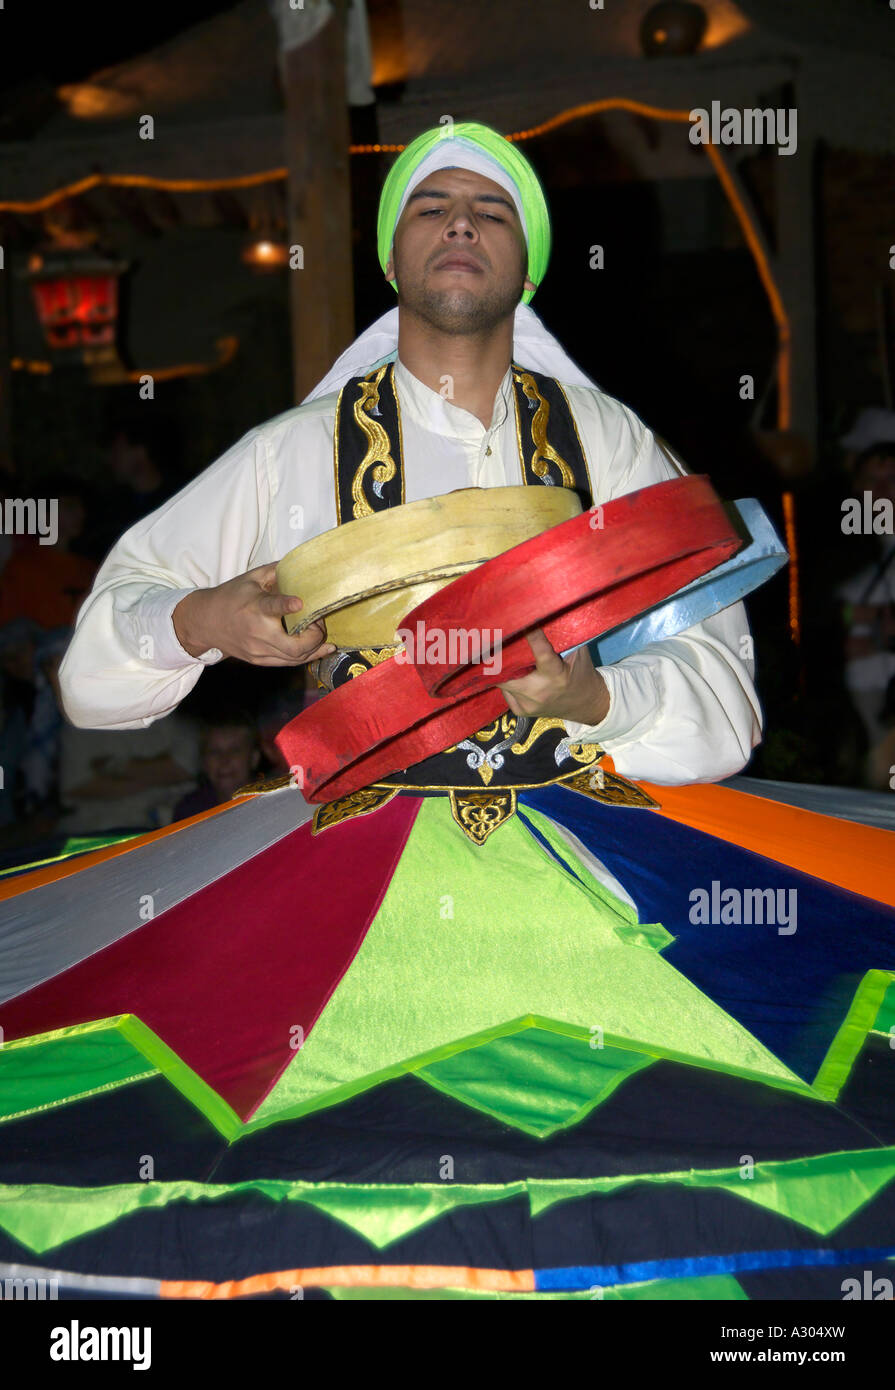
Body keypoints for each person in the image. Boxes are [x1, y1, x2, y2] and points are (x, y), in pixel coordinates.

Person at [8, 124, 891, 1303]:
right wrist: (210, 621)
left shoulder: (610, 444)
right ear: (392, 257)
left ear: (527, 259)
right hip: (337, 853)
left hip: (589, 859)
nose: (461, 222)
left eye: (490, 205)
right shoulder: (291, 453)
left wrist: (591, 695)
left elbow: (722, 703)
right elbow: (94, 680)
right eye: (430, 207)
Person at [172, 713, 261, 820]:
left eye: (234, 751)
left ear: (254, 758)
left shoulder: (271, 801)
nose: (224, 760)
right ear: (203, 761)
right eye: (214, 752)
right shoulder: (190, 812)